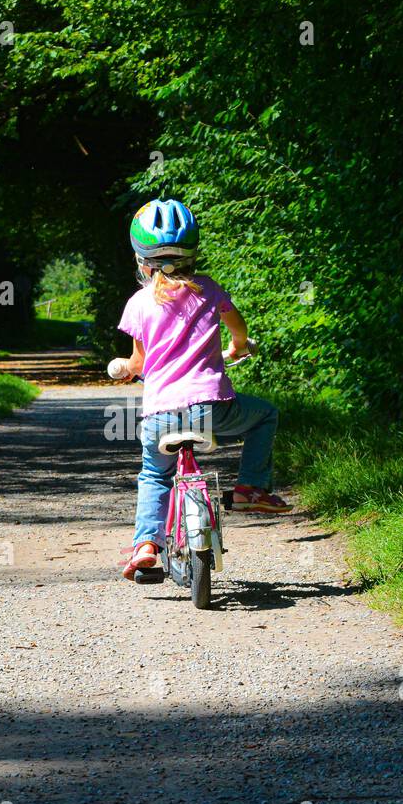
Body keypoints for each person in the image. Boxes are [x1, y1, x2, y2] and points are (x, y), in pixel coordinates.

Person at [111, 198, 291, 581]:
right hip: (212, 409)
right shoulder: (210, 290)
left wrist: (126, 369)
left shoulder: (139, 303)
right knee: (265, 415)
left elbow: (139, 363)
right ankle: (250, 488)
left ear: (141, 261)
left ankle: (146, 544)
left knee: (154, 475)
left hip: (159, 416)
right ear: (193, 253)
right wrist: (240, 347)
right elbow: (238, 330)